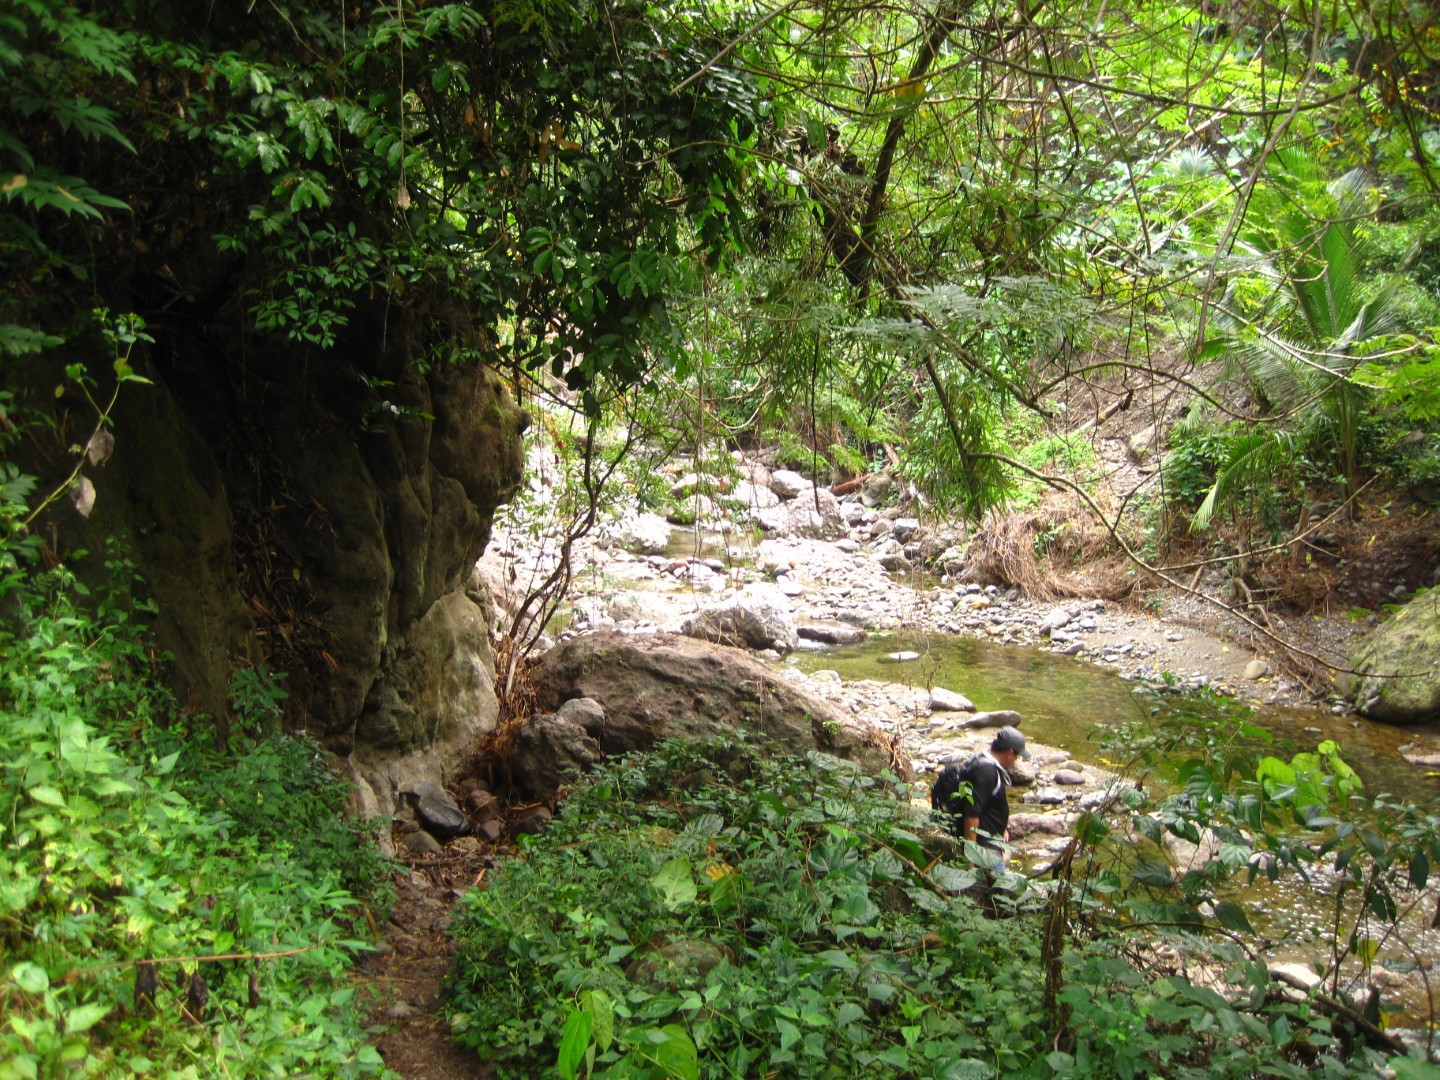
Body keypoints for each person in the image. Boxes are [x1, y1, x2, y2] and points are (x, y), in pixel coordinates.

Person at [932, 726, 1031, 856]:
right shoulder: (987, 772)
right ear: (1009, 753)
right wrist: (972, 855)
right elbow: (971, 814)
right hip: (985, 848)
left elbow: (988, 801)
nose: (1016, 760)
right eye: (1017, 755)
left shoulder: (982, 758)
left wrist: (1001, 828)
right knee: (992, 876)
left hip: (990, 838)